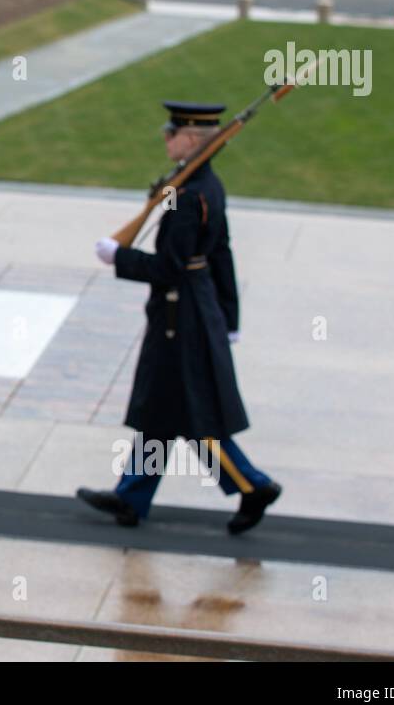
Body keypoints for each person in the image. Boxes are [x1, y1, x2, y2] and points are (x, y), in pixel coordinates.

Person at [79, 100, 280, 535]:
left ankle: (253, 485)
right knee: (160, 412)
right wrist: (230, 314)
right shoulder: (205, 185)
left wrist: (120, 257)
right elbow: (221, 253)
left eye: (172, 132)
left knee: (195, 416)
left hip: (181, 318)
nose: (165, 137)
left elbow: (170, 267)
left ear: (191, 139)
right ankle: (131, 497)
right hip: (192, 308)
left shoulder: (188, 197)